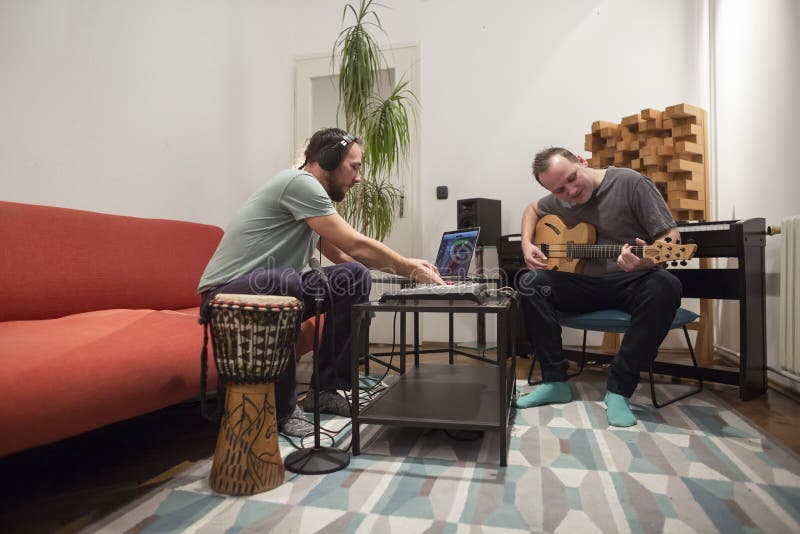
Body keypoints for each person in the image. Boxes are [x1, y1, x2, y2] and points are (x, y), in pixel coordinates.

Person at [198, 127, 443, 436]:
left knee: (353, 278)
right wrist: (408, 267)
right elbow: (357, 245)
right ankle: (284, 409)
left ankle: (326, 389)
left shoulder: (312, 202)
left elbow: (345, 258)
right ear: (328, 160)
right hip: (223, 296)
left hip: (274, 289)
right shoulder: (298, 184)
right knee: (285, 280)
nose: (358, 177)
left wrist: (408, 275)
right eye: (354, 167)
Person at [515, 147, 682, 427]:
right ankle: (555, 380)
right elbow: (532, 209)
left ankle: (619, 389)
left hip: (632, 280)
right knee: (530, 282)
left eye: (571, 178)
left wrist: (644, 261)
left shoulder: (630, 183)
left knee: (666, 285)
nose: (570, 192)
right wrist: (526, 244)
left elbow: (672, 239)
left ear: (582, 161)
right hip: (586, 285)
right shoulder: (560, 199)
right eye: (559, 190)